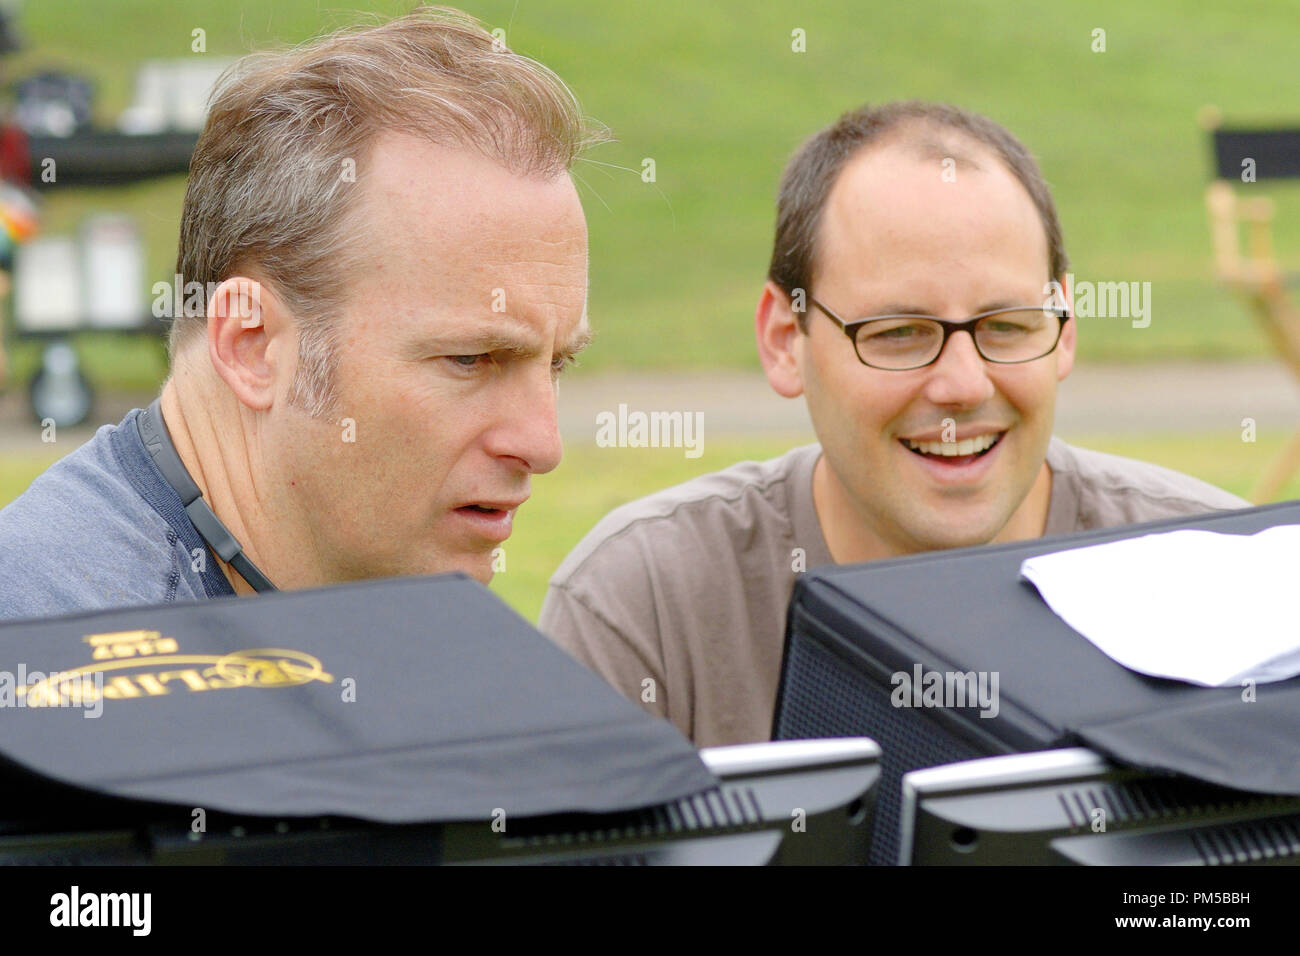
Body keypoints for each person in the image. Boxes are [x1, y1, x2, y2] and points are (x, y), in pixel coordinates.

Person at [539, 100, 1249, 748]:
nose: (964, 385)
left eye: (1006, 326)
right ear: (786, 338)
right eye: (900, 333)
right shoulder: (648, 607)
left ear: (1064, 327)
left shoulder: (1230, 589)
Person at [0, 7, 598, 621]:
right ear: (252, 345)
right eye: (472, 358)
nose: (543, 444)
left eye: (557, 362)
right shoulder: (46, 649)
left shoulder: (398, 605)